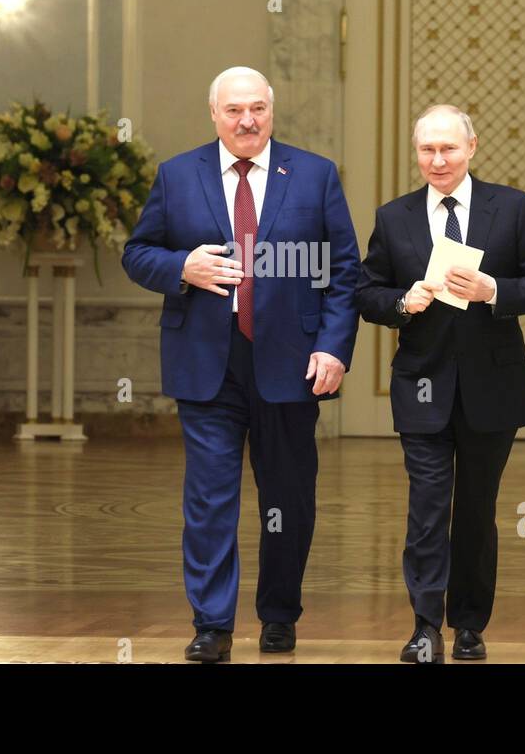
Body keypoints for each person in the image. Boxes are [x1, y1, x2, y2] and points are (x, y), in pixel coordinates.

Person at [121, 67, 359, 662]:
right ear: (213, 114)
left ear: (271, 110)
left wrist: (333, 346)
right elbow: (137, 253)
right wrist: (182, 268)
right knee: (209, 498)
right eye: (234, 111)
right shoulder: (178, 175)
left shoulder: (314, 174)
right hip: (206, 362)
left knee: (287, 499)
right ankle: (212, 625)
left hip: (291, 363)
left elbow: (344, 270)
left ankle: (279, 615)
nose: (247, 121)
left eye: (257, 109)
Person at [355, 104, 525, 662]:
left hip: (493, 388)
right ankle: (425, 627)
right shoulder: (394, 217)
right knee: (427, 506)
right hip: (422, 385)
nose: (438, 160)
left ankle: (469, 623)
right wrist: (403, 301)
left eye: (448, 148)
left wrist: (493, 289)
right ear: (416, 153)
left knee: (475, 508)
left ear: (472, 147)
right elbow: (366, 293)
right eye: (427, 150)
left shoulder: (511, 208)